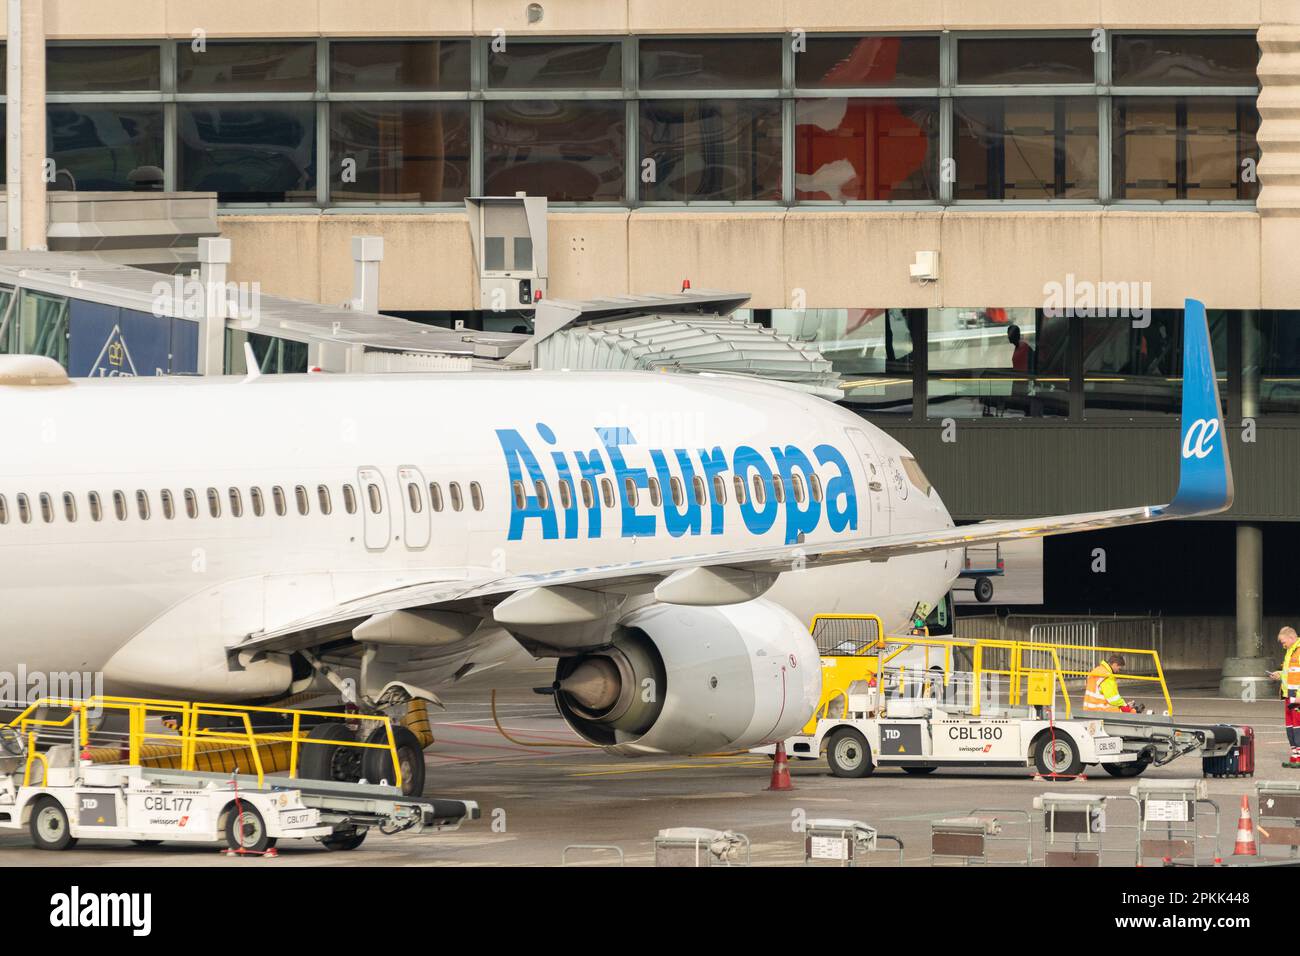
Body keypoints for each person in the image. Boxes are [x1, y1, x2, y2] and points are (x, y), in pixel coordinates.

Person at [1268, 626, 1300, 768]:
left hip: (1297, 697)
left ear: (1292, 638)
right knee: (1291, 726)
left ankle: (1298, 756)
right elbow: (1289, 673)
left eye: (1283, 642)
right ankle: (1295, 756)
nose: (1283, 645)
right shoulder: (1290, 652)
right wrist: (1279, 674)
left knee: (1298, 726)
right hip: (1289, 695)